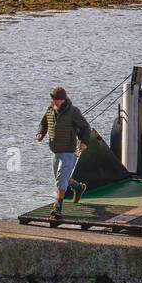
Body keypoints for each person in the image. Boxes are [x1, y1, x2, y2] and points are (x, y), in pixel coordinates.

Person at [35, 87, 93, 219]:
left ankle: (57, 208)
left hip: (69, 151)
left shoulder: (73, 111)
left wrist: (84, 142)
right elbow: (44, 123)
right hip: (56, 151)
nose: (55, 102)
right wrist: (40, 133)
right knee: (62, 178)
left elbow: (85, 127)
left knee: (61, 180)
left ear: (63, 100)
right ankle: (78, 187)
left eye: (57, 100)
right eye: (53, 99)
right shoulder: (50, 110)